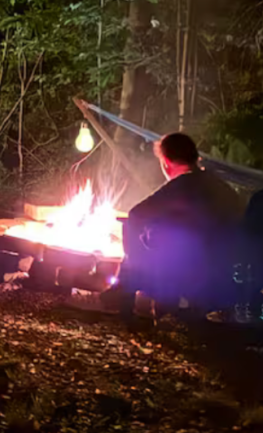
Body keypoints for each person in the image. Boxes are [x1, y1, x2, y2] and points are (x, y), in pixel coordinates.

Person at [102, 133, 244, 323]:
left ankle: (128, 307)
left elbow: (136, 215)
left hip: (191, 272)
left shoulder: (182, 184)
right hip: (228, 270)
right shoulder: (220, 186)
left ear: (166, 162)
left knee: (136, 249)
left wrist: (135, 258)